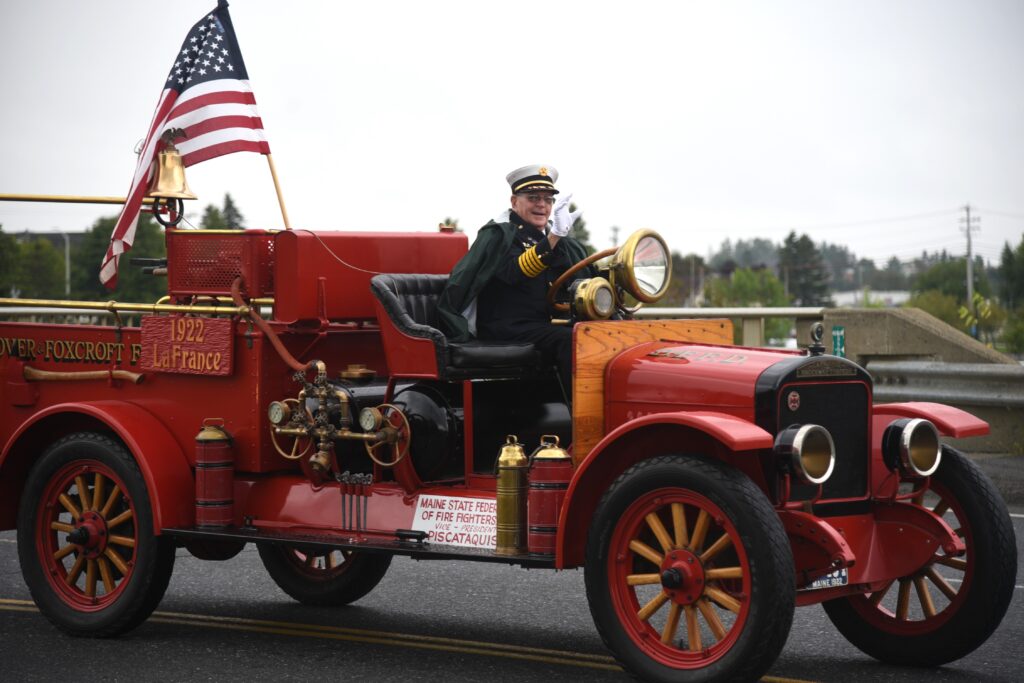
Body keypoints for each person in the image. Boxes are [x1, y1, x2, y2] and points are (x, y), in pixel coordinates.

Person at [437, 164, 591, 398]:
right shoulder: (498, 235)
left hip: (541, 325)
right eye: (533, 198)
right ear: (514, 201)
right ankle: (583, 416)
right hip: (506, 326)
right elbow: (514, 272)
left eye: (548, 200)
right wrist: (553, 239)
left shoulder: (555, 238)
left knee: (601, 331)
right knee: (570, 339)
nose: (542, 205)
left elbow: (576, 277)